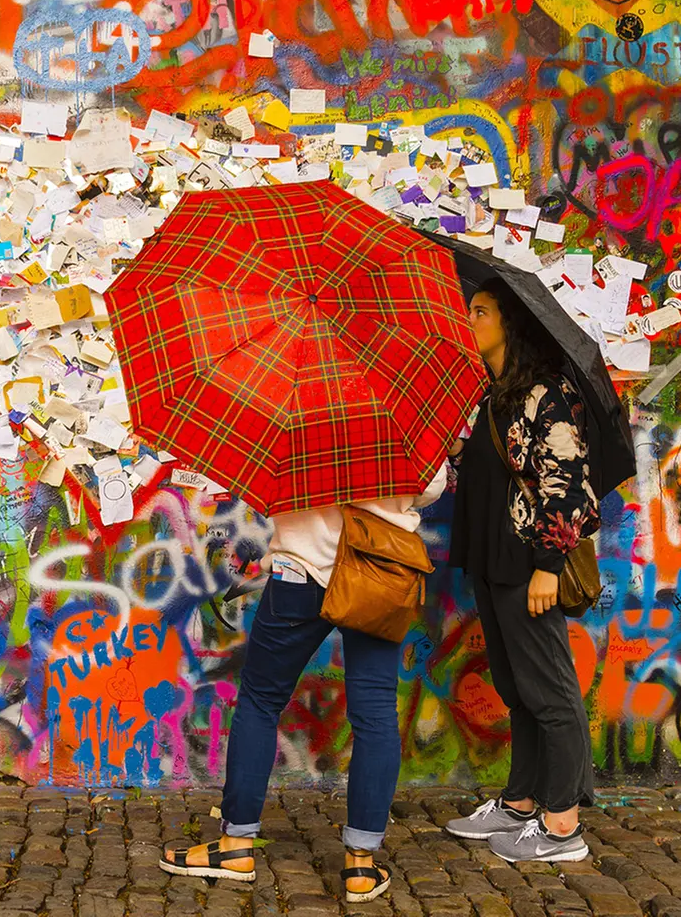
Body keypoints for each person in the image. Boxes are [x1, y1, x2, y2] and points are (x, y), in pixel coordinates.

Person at [160, 463, 447, 903]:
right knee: (375, 713)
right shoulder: (399, 412)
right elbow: (431, 489)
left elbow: (266, 483)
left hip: (300, 571)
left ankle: (236, 846)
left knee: (259, 701)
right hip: (379, 574)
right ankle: (361, 866)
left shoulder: (294, 405)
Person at [441, 278, 600, 863]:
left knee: (551, 692)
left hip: (528, 564)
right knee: (518, 689)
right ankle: (521, 802)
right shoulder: (495, 395)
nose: (470, 319)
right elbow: (485, 470)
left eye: (479, 312)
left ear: (509, 322)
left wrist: (548, 567)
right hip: (491, 561)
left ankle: (563, 827)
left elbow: (567, 485)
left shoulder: (545, 394)